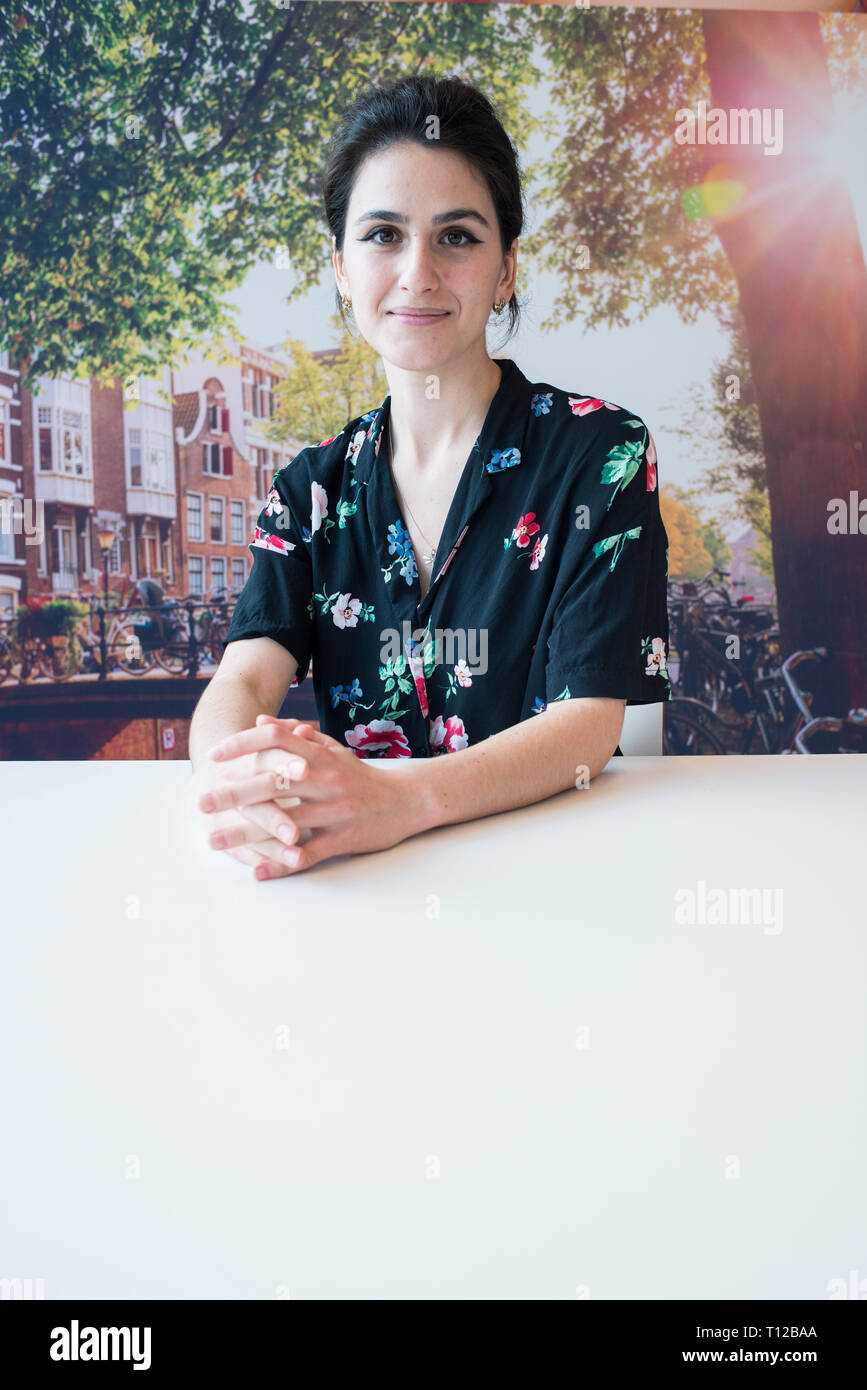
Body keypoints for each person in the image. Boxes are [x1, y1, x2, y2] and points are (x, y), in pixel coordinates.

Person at [189, 72, 670, 880]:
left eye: (456, 236)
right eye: (382, 234)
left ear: (506, 268)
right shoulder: (308, 491)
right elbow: (244, 673)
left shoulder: (601, 454)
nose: (416, 272)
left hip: (562, 881)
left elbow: (589, 721)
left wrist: (402, 800)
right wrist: (230, 778)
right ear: (340, 266)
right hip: (356, 891)